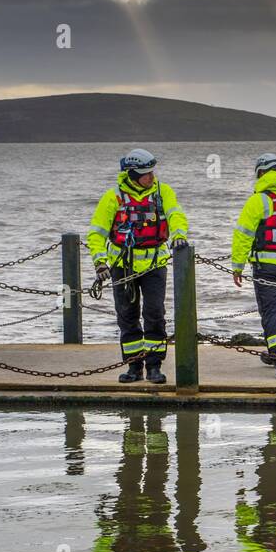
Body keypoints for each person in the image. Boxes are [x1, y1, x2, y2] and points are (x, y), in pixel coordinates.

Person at [87, 148, 188, 384]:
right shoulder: (113, 197)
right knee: (127, 316)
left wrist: (180, 234)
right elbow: (96, 233)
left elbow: (176, 215)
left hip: (155, 264)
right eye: (145, 174)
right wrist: (100, 262)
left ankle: (154, 366)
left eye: (152, 172)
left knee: (155, 313)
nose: (151, 177)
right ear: (132, 175)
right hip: (123, 267)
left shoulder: (163, 193)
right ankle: (134, 367)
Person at [230, 153, 276, 380]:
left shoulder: (258, 200)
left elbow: (243, 234)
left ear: (261, 173)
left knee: (270, 310)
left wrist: (237, 266)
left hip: (266, 266)